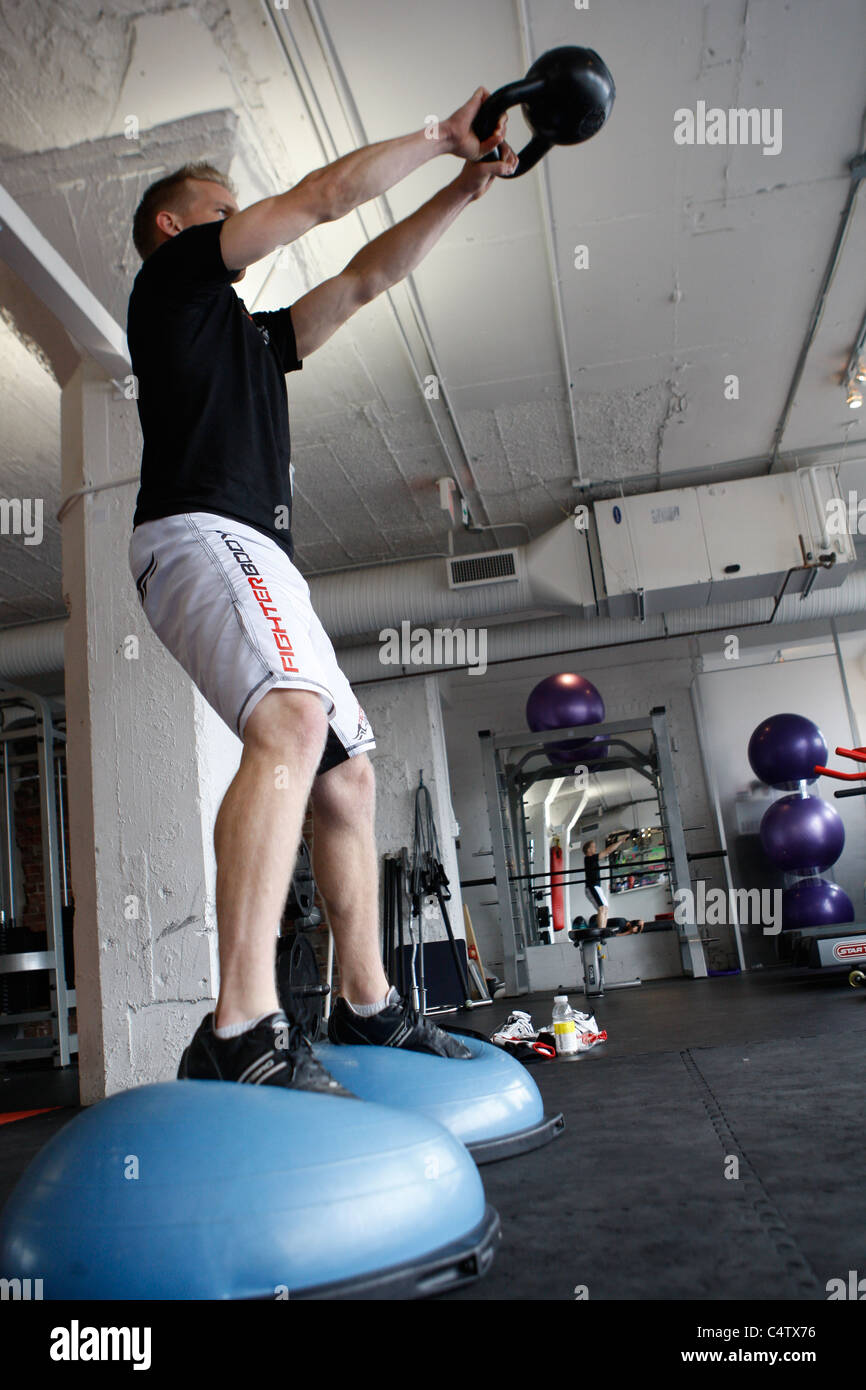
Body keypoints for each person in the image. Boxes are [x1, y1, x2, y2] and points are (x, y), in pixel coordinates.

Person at [126, 92, 517, 1093]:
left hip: (259, 554)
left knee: (347, 775)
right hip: (199, 531)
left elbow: (367, 273)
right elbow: (318, 202)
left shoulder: (254, 340)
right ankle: (242, 1023)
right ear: (177, 227)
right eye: (222, 206)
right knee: (293, 720)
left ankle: (365, 1005)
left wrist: (461, 192)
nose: (237, 215)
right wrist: (435, 134)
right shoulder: (172, 281)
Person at [581, 832, 631, 933]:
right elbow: (608, 851)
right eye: (593, 847)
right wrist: (620, 841)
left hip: (596, 886)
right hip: (592, 886)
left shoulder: (592, 859)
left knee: (605, 908)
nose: (595, 849)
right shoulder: (589, 858)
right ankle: (601, 931)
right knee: (601, 908)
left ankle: (603, 930)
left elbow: (607, 851)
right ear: (588, 850)